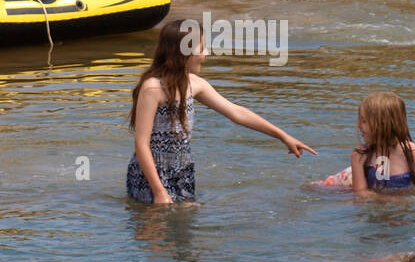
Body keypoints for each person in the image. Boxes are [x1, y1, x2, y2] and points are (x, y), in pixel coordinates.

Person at [127, 18, 316, 204]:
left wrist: (283, 136)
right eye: (202, 49)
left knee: (183, 231)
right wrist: (159, 191)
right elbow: (141, 143)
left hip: (182, 171)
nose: (206, 53)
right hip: (151, 175)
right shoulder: (152, 88)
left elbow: (236, 112)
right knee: (154, 229)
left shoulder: (194, 84)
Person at [320, 90, 415, 193]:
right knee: (314, 189)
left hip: (396, 212)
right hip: (351, 190)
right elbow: (361, 197)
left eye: (364, 121)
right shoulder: (360, 156)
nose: (359, 126)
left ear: (383, 124)